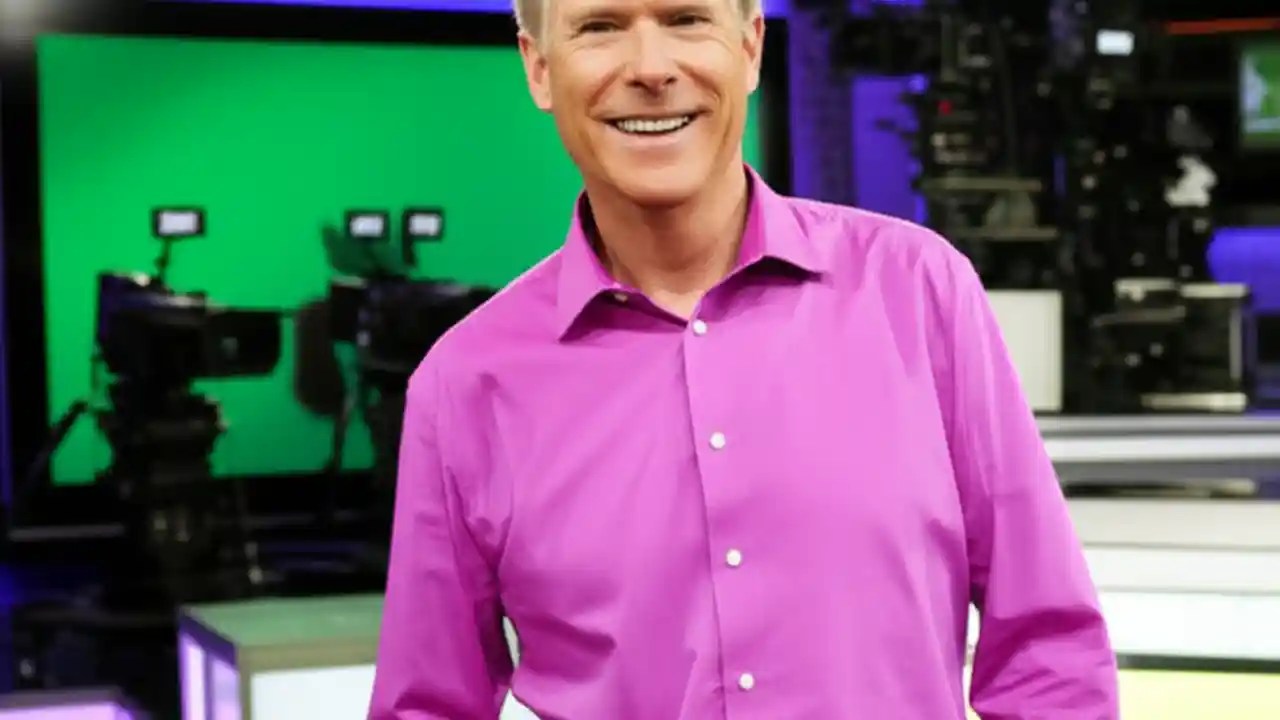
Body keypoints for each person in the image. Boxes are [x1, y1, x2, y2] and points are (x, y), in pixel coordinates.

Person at [367, 0, 1120, 717]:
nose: (650, 66)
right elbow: (429, 706)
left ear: (751, 45)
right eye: (599, 26)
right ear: (537, 68)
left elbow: (1047, 657)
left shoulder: (918, 292)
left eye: (687, 19)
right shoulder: (464, 383)